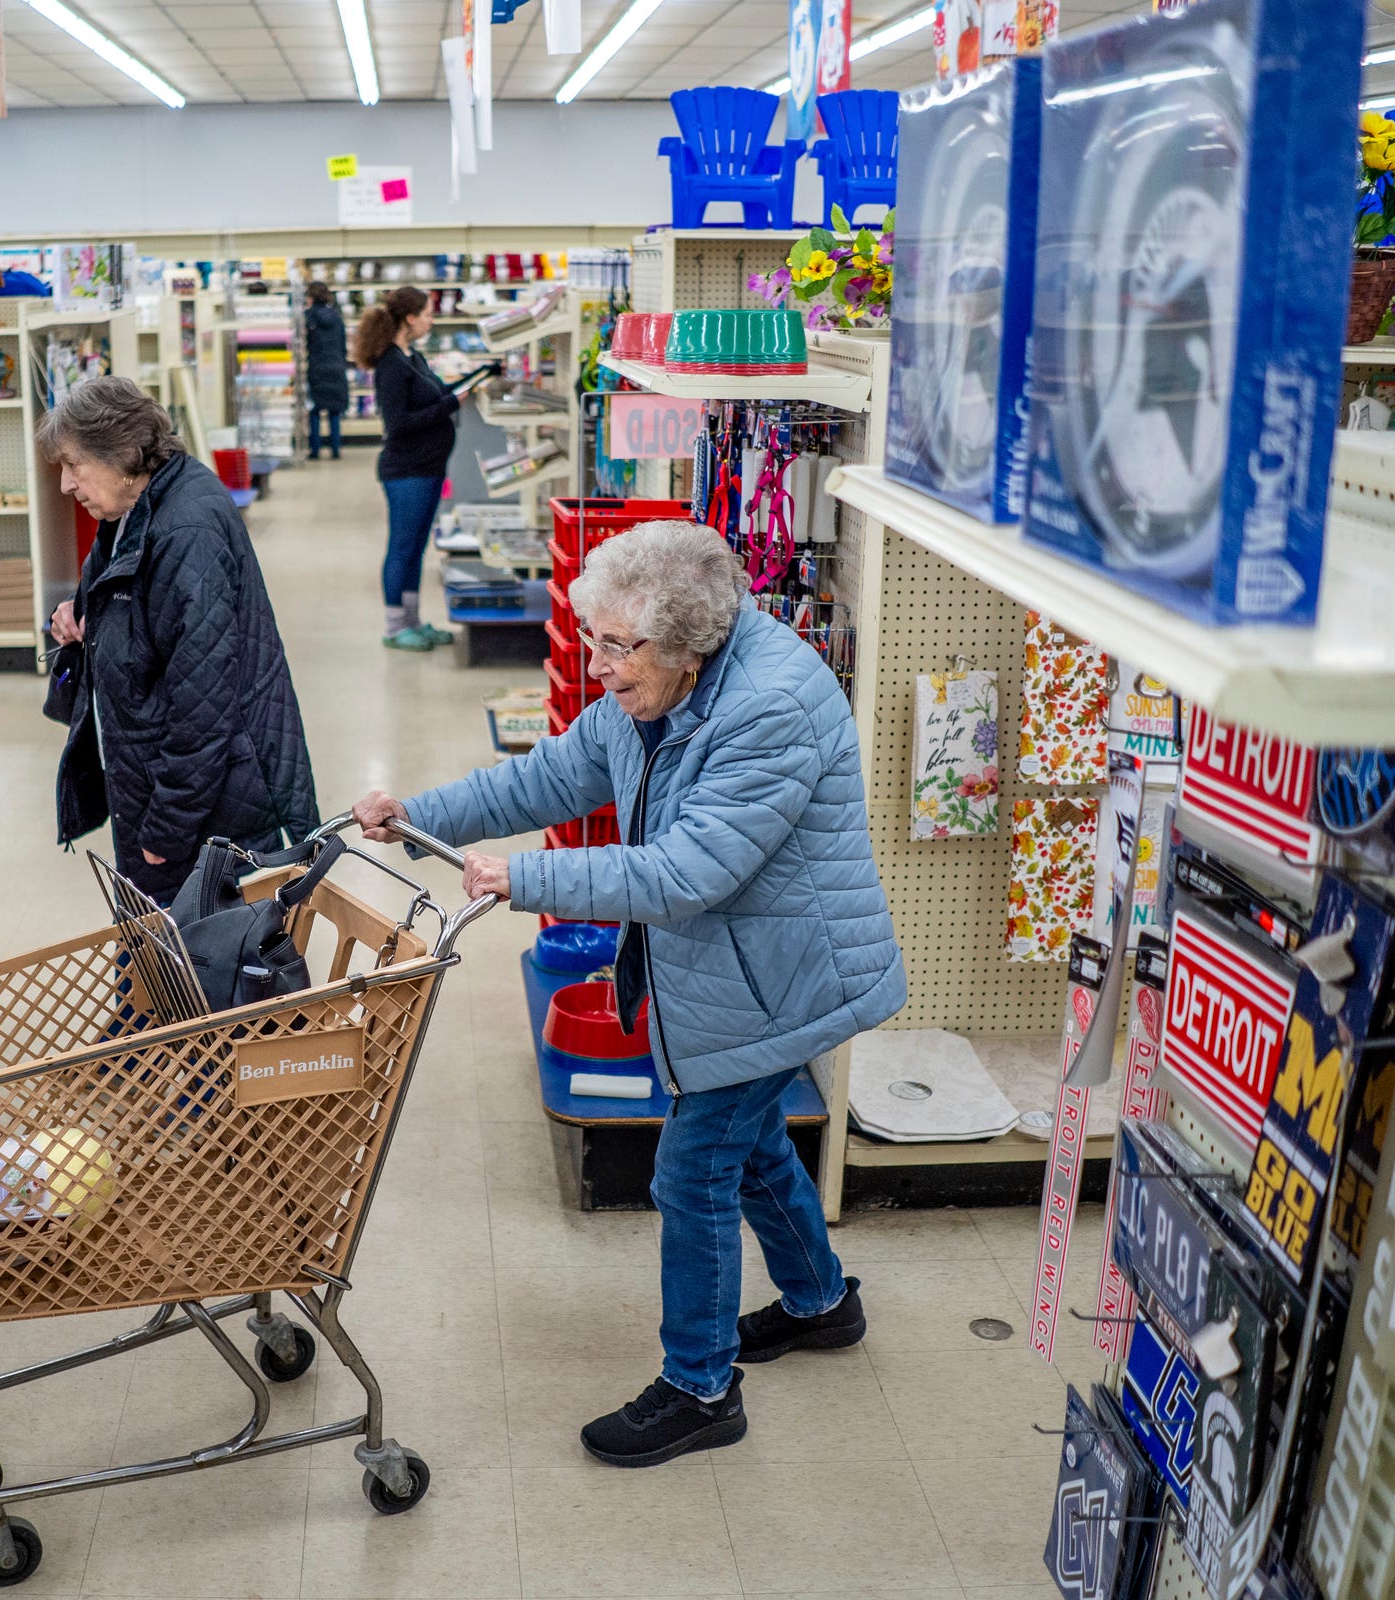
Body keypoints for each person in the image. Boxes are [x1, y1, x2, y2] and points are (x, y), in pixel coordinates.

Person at [351, 520, 905, 1468]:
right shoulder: (657, 685)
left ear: (688, 645)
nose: (598, 667)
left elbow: (690, 873)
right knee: (751, 1137)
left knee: (691, 1174)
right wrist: (421, 817)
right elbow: (557, 774)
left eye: (617, 646)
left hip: (779, 980)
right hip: (737, 971)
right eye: (594, 640)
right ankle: (821, 1302)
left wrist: (526, 881)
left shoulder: (768, 708)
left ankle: (701, 1387)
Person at [43, 374, 318, 903]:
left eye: (74, 465)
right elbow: (131, 602)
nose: (65, 485)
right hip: (165, 792)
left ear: (123, 454)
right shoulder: (135, 507)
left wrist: (167, 826)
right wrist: (80, 613)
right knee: (162, 967)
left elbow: (203, 703)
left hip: (207, 816)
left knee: (201, 970)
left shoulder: (186, 533)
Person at [356, 286, 474, 652]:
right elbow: (399, 422)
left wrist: (467, 385)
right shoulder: (391, 364)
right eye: (427, 313)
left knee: (417, 548)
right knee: (402, 548)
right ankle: (394, 627)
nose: (432, 319)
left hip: (428, 467)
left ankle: (413, 621)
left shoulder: (414, 357)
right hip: (407, 471)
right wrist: (451, 403)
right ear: (410, 318)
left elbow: (437, 395)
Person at [302, 281, 349, 461]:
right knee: (334, 411)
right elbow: (343, 344)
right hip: (336, 366)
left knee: (315, 409)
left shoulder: (308, 317)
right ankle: (336, 449)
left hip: (317, 366)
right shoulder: (337, 317)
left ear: (311, 297)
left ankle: (315, 450)